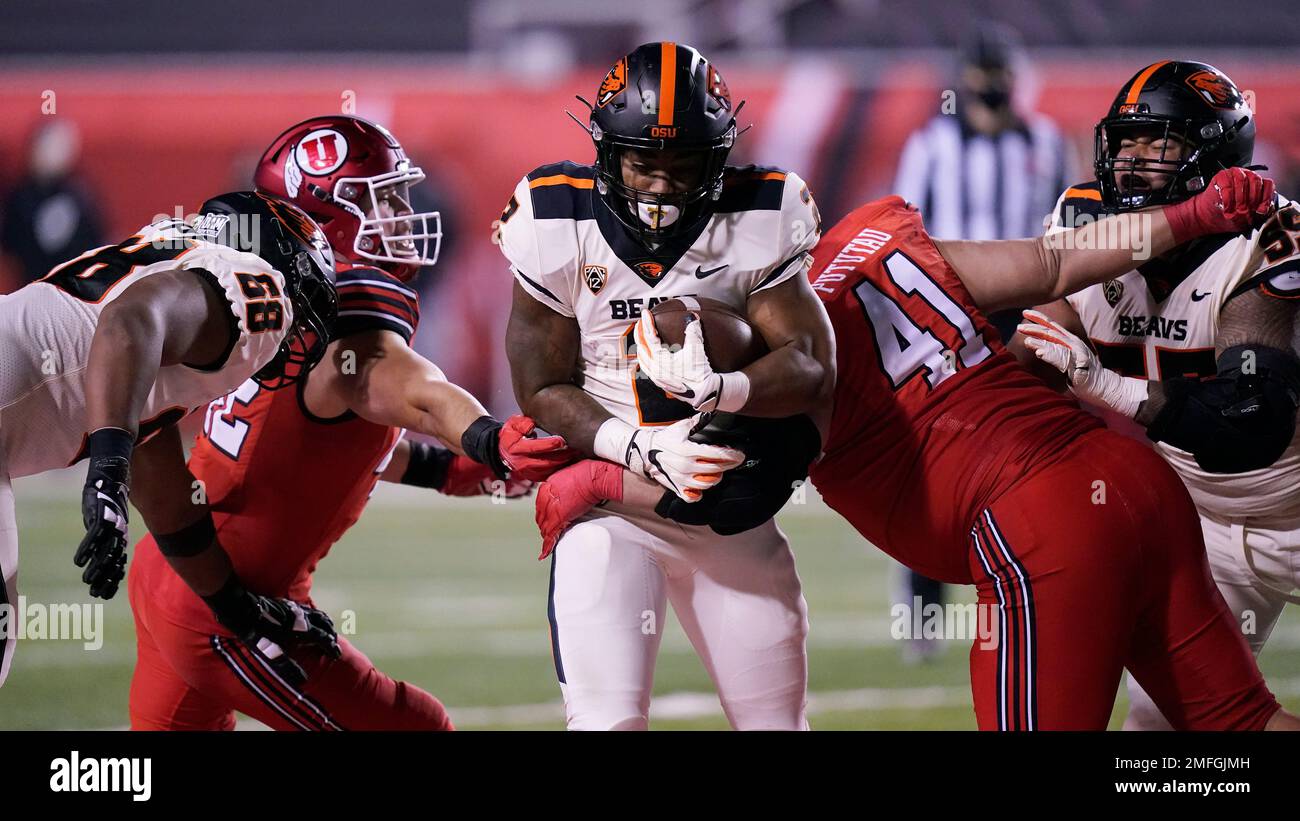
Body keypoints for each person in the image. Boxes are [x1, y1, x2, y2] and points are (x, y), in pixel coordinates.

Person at [537, 165, 1299, 729]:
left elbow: (729, 493)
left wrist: (596, 479)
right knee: (1238, 730)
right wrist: (1194, 214)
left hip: (1041, 527)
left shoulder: (775, 353)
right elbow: (1059, 261)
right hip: (1135, 484)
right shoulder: (875, 247)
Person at [126, 115, 574, 730]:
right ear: (325, 215)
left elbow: (318, 449)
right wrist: (488, 439)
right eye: (382, 199)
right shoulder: (349, 326)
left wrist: (451, 471)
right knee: (418, 727)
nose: (401, 216)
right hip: (228, 605)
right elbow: (418, 392)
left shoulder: (270, 300)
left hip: (172, 570)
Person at [501, 42, 834, 730]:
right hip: (615, 512)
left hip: (727, 508)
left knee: (777, 724)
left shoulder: (762, 211)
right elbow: (540, 384)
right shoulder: (554, 216)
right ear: (605, 151)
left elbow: (809, 363)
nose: (659, 185)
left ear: (716, 157)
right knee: (606, 721)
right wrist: (638, 450)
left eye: (682, 165)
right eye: (642, 162)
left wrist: (724, 389)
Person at [1007, 61, 1300, 730]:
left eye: (1156, 143)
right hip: (1209, 527)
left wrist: (1107, 386)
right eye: (1125, 142)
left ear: (1215, 152)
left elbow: (1251, 420)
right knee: (1162, 725)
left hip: (1293, 500)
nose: (1132, 162)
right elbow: (1030, 370)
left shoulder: (1261, 238)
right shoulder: (1082, 217)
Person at [0, 190, 338, 687]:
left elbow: (167, 499)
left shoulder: (166, 274)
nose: (295, 334)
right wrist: (107, 475)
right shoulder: (255, 286)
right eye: (305, 298)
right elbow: (130, 323)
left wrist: (235, 608)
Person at [890, 24, 1075, 656]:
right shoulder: (933, 144)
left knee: (1031, 455)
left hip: (1022, 317)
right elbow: (903, 231)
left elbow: (1069, 230)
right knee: (934, 456)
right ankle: (923, 616)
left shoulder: (1046, 141)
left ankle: (1031, 598)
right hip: (953, 315)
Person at [0, 119, 106, 290]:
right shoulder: (19, 195)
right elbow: (10, 244)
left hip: (73, 288)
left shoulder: (79, 195)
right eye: (46, 147)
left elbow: (99, 238)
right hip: (30, 286)